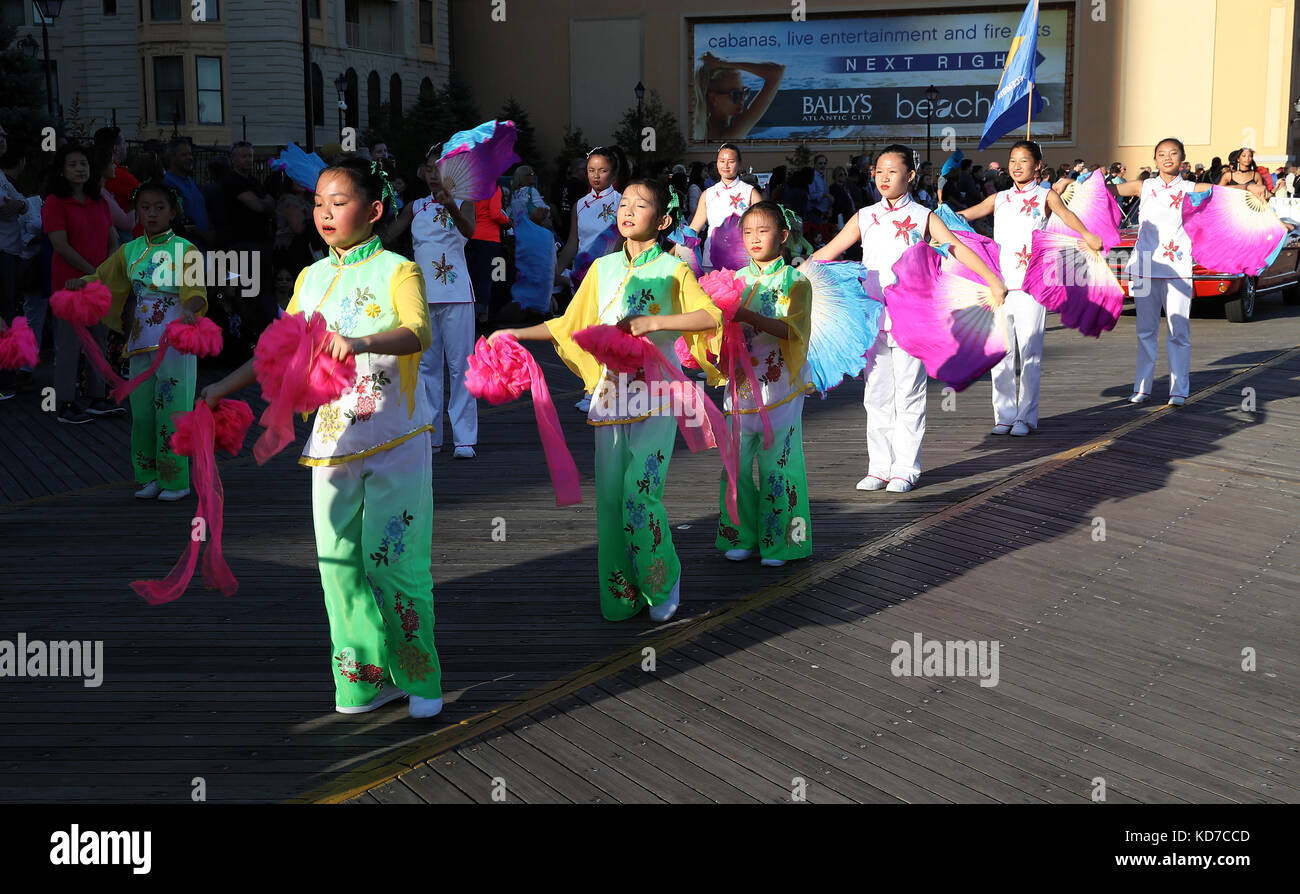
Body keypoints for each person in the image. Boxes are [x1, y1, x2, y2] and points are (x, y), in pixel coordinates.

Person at [199, 158, 443, 718]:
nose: (325, 212)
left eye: (339, 201)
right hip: (331, 441)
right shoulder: (309, 279)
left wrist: (357, 343)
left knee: (393, 559)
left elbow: (418, 332)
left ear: (374, 210)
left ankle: (419, 675)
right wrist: (221, 388)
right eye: (317, 202)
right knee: (336, 563)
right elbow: (278, 351)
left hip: (396, 433)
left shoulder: (398, 270)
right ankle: (362, 680)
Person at [492, 178, 723, 623]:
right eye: (623, 204)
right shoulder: (601, 270)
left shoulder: (674, 270)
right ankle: (623, 593)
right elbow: (569, 324)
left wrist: (655, 322)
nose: (628, 211)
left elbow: (709, 315)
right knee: (612, 501)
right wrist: (517, 332)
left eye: (640, 205)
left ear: (665, 220)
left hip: (657, 396)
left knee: (641, 494)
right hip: (611, 399)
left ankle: (662, 577)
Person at [812, 144, 1006, 493]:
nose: (884, 177)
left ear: (910, 176)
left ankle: (906, 467)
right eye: (879, 171)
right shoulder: (865, 215)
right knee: (876, 392)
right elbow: (828, 253)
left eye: (892, 171)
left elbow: (957, 247)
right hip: (874, 314)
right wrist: (793, 277)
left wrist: (992, 279)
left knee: (909, 391)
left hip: (913, 317)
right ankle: (879, 466)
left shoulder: (923, 216)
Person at [61, 181, 206, 500]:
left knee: (173, 410)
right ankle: (149, 475)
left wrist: (192, 310)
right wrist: (80, 284)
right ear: (137, 211)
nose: (152, 214)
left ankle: (176, 480)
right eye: (145, 208)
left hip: (176, 341)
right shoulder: (130, 250)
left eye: (160, 208)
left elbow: (196, 291)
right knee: (141, 413)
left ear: (173, 212)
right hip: (140, 341)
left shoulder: (186, 249)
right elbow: (102, 278)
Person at [959, 140, 1103, 436]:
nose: (1016, 166)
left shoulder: (1045, 195)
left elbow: (1066, 216)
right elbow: (965, 216)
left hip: (1031, 284)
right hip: (998, 284)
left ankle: (1025, 416)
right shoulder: (998, 199)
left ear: (1038, 165)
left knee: (1030, 352)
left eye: (1024, 160)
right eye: (1012, 160)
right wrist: (933, 220)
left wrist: (1088, 234)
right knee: (1000, 353)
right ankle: (1005, 414)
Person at [715, 200, 813, 568]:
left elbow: (794, 330)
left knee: (780, 466)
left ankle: (784, 543)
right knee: (734, 465)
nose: (754, 238)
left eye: (764, 230)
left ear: (783, 236)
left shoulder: (795, 281)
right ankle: (742, 534)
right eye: (748, 232)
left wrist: (746, 315)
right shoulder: (733, 281)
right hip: (739, 387)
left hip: (781, 387)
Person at [1112, 138, 1219, 406]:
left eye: (1173, 153)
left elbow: (1223, 193)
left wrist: (1248, 186)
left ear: (1182, 158)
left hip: (1177, 267)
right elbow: (1108, 191)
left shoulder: (1191, 187)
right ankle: (1143, 387)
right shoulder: (1143, 185)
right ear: (1155, 159)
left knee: (1178, 330)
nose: (1167, 158)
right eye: (1161, 154)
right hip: (1146, 265)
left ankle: (1179, 389)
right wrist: (1073, 185)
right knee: (1145, 330)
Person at [386, 149, 478, 458]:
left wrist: (450, 204)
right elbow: (388, 237)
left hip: (457, 294)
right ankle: (431, 435)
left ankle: (464, 438)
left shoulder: (465, 202)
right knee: (426, 366)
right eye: (429, 169)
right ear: (423, 174)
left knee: (461, 364)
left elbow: (470, 231)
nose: (434, 174)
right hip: (422, 295)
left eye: (440, 169)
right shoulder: (415, 207)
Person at [43, 143, 122, 424]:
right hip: (70, 285)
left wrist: (106, 270)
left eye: (84, 164)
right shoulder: (55, 202)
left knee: (99, 341)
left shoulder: (99, 200)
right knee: (70, 344)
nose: (80, 169)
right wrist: (94, 272)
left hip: (97, 284)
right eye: (73, 164)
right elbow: (60, 246)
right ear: (62, 171)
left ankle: (97, 396)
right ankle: (64, 402)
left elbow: (113, 237)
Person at [557, 146, 625, 411]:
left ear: (614, 173)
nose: (596, 176)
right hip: (581, 275)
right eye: (591, 170)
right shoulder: (580, 205)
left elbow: (623, 238)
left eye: (603, 170)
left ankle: (606, 391)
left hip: (609, 273)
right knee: (583, 332)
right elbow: (574, 241)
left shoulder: (622, 201)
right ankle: (590, 387)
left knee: (605, 332)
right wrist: (559, 265)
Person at [220, 141, 275, 330]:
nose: (248, 160)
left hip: (259, 244)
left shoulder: (253, 181)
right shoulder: (232, 181)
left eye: (250, 156)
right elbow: (260, 205)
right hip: (240, 244)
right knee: (246, 294)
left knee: (261, 292)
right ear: (233, 159)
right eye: (243, 156)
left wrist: (264, 202)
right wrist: (264, 202)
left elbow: (268, 203)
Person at [687, 142, 762, 271]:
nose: (726, 165)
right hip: (711, 260)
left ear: (739, 164)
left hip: (742, 261)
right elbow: (693, 229)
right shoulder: (708, 194)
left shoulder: (750, 192)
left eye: (731, 161)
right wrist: (676, 246)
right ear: (717, 163)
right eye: (722, 161)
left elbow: (763, 227)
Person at [692, 52, 785, 141]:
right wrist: (723, 63)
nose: (742, 99)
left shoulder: (699, 126)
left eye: (745, 92)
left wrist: (723, 64)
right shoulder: (729, 135)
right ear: (713, 98)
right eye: (736, 94)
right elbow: (777, 72)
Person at [162, 139, 213, 249]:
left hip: (202, 248)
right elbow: (179, 222)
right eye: (184, 155)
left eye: (190, 154)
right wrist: (205, 235)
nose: (190, 158)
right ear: (172, 158)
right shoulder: (169, 184)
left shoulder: (189, 180)